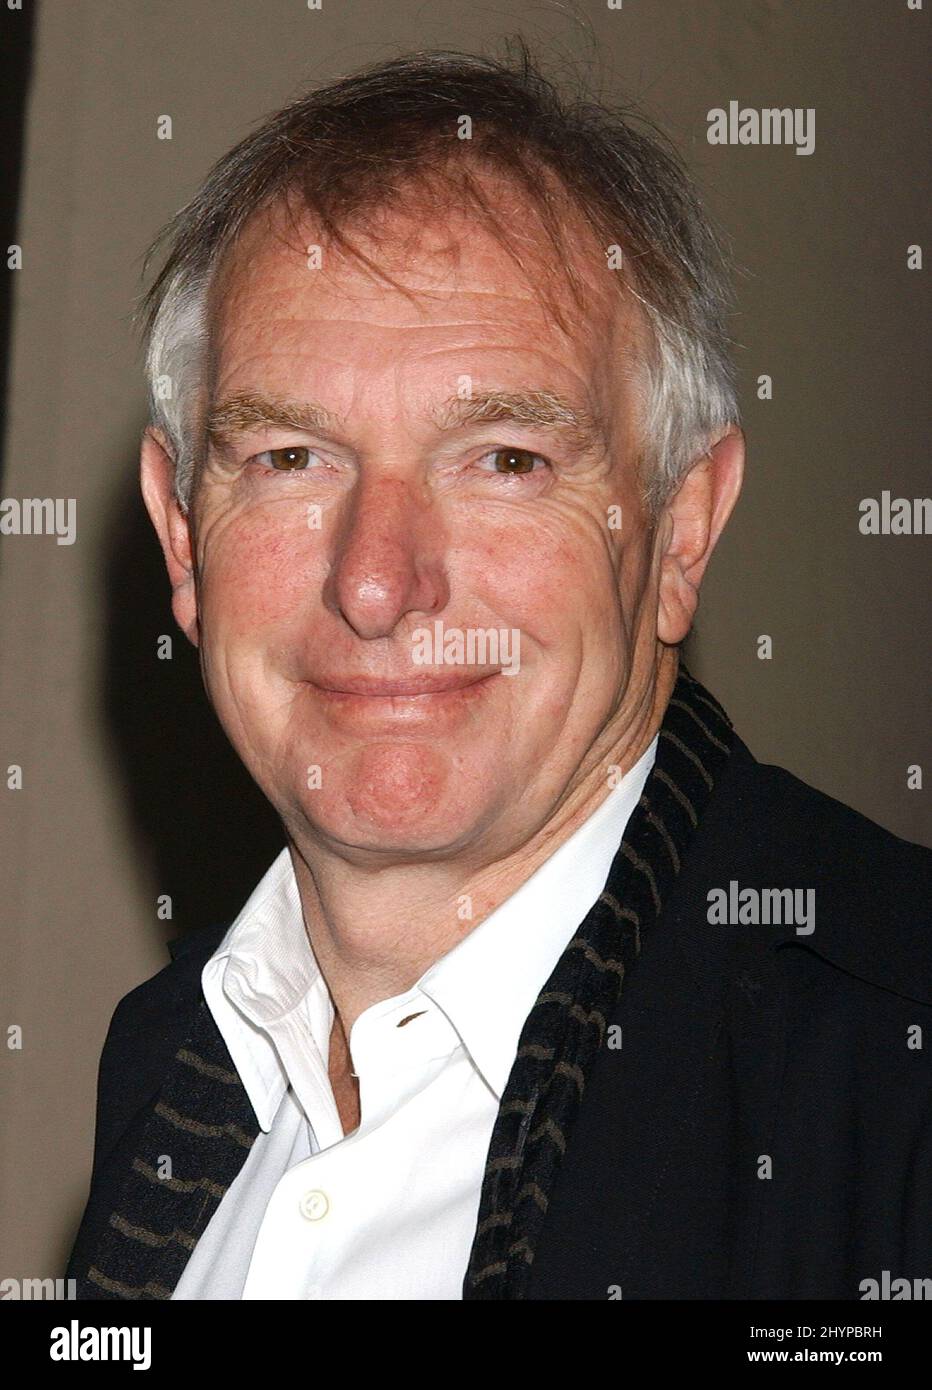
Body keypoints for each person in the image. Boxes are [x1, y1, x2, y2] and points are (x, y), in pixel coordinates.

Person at [66, 48, 931, 1301]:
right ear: (181, 534)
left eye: (505, 460)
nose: (377, 581)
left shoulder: (885, 1083)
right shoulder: (167, 1064)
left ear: (679, 530)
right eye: (291, 456)